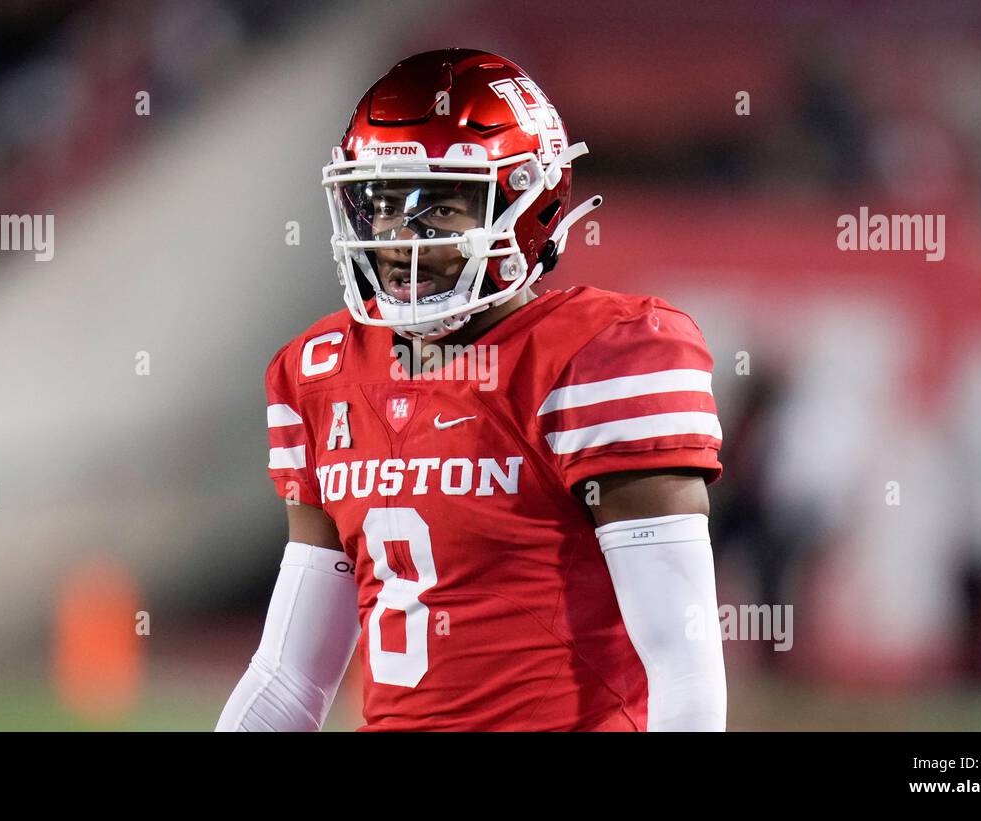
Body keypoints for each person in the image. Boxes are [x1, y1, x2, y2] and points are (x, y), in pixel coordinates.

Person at [216, 48, 726, 731]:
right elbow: (289, 678)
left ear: (529, 203)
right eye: (384, 204)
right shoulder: (321, 373)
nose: (400, 239)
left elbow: (683, 663)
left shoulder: (597, 357)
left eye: (440, 207)